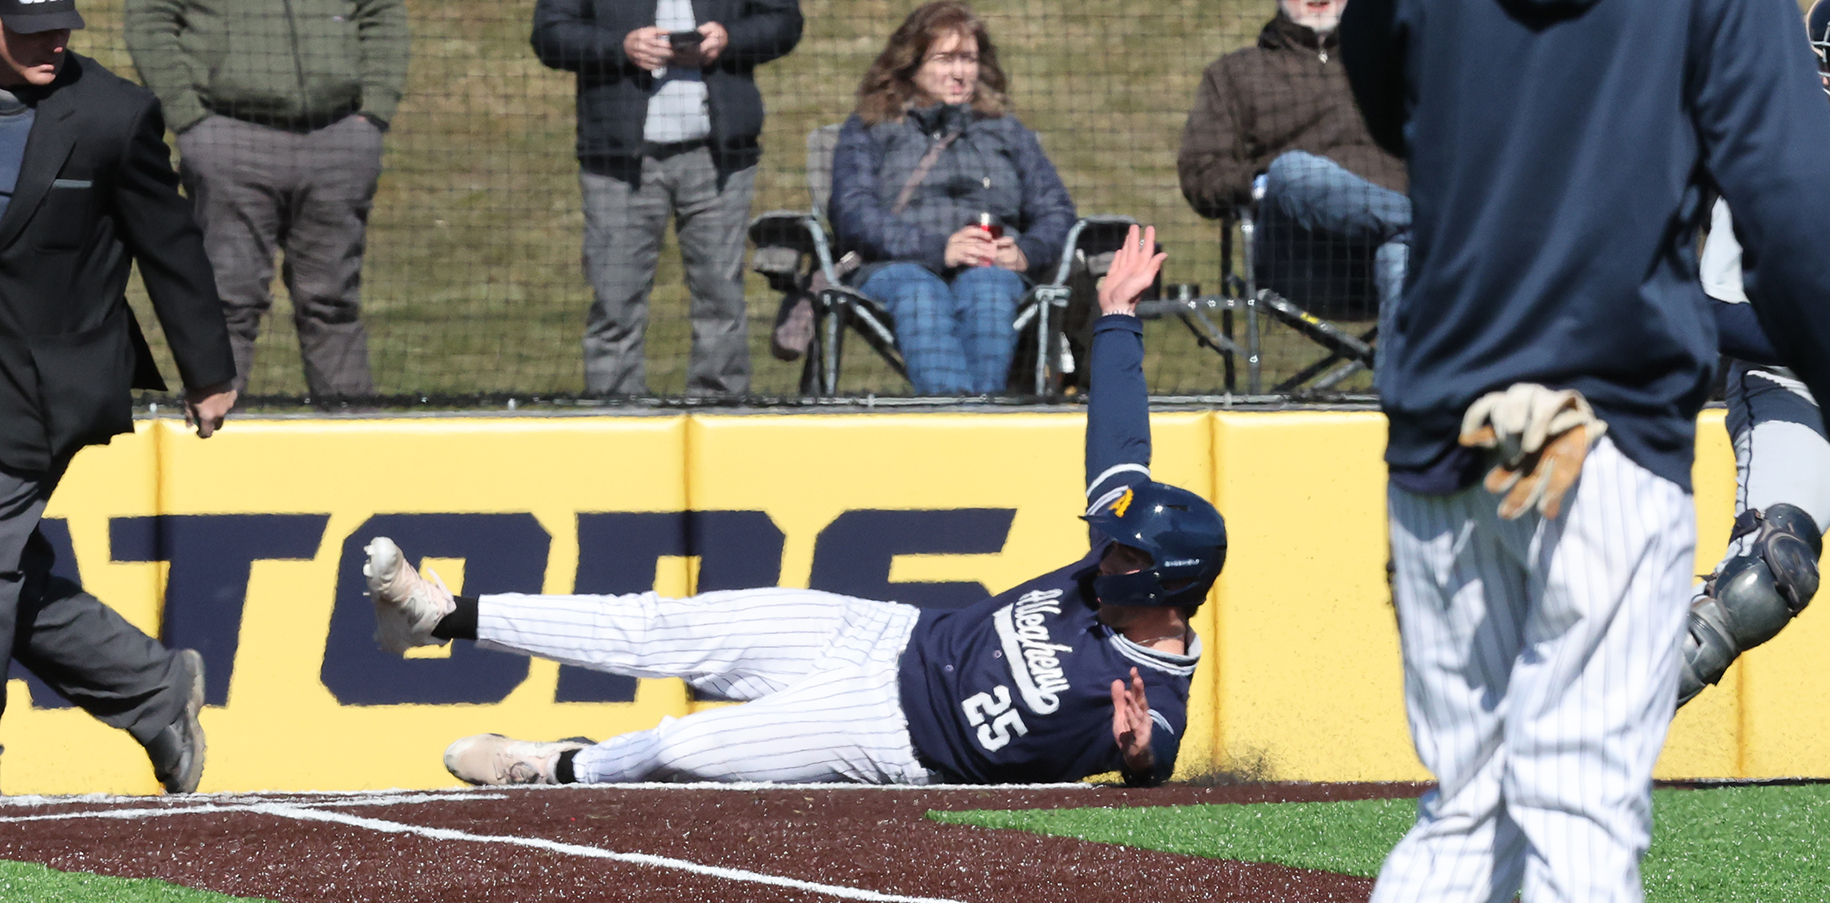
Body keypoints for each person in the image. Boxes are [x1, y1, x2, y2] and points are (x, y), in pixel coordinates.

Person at [1309, 0, 1830, 903]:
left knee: (1470, 811)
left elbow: (1384, 98)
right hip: (1599, 428)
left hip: (1451, 414)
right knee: (1582, 821)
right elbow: (1785, 217)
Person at [364, 227, 1224, 788]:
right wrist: (1115, 317)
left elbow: (1160, 762)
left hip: (897, 736)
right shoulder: (1110, 563)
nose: (1100, 553)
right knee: (669, 626)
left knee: (683, 748)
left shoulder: (1155, 695)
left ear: (1165, 584)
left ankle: (551, 766)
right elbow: (1118, 444)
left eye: (1120, 556)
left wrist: (1143, 759)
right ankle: (440, 615)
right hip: (888, 634)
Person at [0, 0, 237, 794]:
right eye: (30, 26)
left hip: (43, 388)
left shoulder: (111, 112)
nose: (53, 40)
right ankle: (153, 690)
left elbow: (167, 240)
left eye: (60, 23)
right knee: (13, 574)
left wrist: (207, 372)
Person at [1681, 0, 1830, 706]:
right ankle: (1588, 733)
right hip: (1795, 387)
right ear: (1821, 66)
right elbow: (1706, 311)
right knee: (1763, 580)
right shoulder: (1769, 151)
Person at [124, 0, 408, 402]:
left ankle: (352, 445)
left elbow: (382, 11)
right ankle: (215, 447)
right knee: (229, 304)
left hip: (338, 138)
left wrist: (374, 113)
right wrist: (187, 115)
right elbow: (149, 15)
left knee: (333, 303)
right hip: (229, 138)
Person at [532, 0, 802, 399]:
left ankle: (720, 419)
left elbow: (784, 21)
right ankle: (617, 425)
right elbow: (550, 34)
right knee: (615, 304)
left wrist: (729, 40)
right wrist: (620, 47)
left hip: (719, 155)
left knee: (722, 302)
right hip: (618, 159)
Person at [829, 0, 1076, 396]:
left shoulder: (1006, 131)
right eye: (945, 59)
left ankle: (974, 420)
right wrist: (938, 249)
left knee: (989, 289)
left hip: (990, 269)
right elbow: (853, 214)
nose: (960, 73)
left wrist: (1026, 252)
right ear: (912, 63)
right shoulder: (870, 127)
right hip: (894, 267)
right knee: (919, 292)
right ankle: (957, 418)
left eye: (969, 59)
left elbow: (1056, 211)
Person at [1176, 0, 1408, 329]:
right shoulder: (1235, 74)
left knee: (1401, 254)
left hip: (1390, 256)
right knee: (1294, 170)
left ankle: (1390, 384)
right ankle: (1419, 226)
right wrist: (1262, 186)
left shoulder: (1396, 65)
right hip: (1300, 260)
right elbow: (1201, 175)